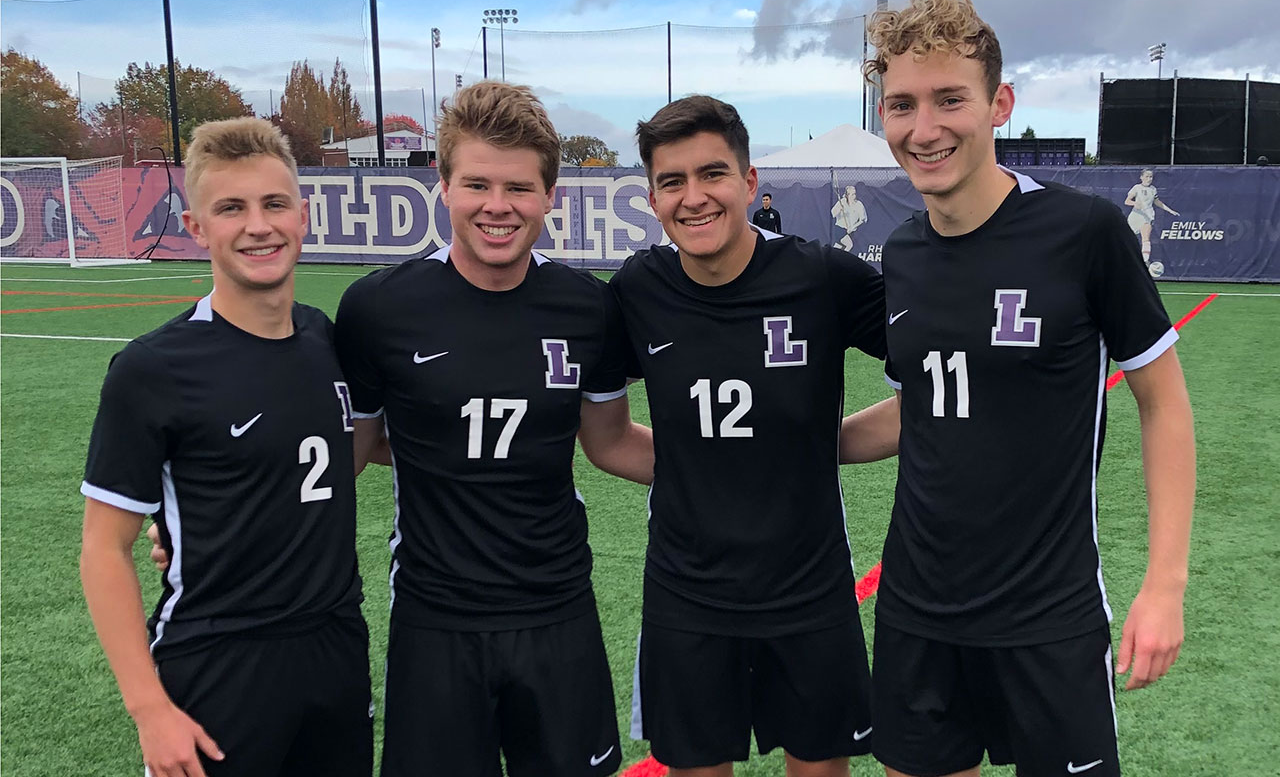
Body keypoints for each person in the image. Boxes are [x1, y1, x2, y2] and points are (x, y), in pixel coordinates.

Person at [864, 0, 1195, 777]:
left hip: (1048, 613)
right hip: (916, 609)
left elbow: (1164, 403)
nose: (924, 127)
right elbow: (927, 406)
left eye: (950, 99)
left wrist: (1165, 584)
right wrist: (806, 438)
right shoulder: (903, 251)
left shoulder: (1084, 233)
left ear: (999, 103)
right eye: (902, 104)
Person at [333, 81, 652, 777]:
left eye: (518, 187)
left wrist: (755, 460)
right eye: (476, 184)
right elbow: (348, 452)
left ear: (550, 196)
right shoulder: (377, 308)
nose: (497, 207)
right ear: (442, 186)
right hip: (433, 615)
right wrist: (213, 514)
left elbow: (609, 441)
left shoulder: (587, 308)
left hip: (558, 609)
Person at [611, 95, 898, 777]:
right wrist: (694, 465)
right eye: (671, 182)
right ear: (651, 198)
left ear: (748, 183)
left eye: (712, 174)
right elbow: (607, 437)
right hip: (687, 595)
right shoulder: (638, 290)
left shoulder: (823, 278)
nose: (693, 197)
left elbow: (932, 390)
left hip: (810, 589)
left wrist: (816, 445)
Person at [79, 118, 372, 777]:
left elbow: (338, 445)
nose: (257, 225)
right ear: (196, 225)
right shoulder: (152, 369)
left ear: (303, 215)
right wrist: (150, 710)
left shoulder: (324, 338)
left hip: (335, 648)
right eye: (231, 208)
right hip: (217, 658)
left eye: (273, 204)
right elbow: (103, 549)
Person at [1124, 168, 1178, 263]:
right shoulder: (1137, 188)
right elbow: (1127, 201)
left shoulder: (1153, 189)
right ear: (1141, 177)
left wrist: (1170, 210)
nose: (1149, 179)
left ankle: (1145, 261)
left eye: (1151, 177)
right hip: (1135, 216)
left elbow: (1157, 202)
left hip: (1148, 216)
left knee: (1146, 238)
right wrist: (1135, 204)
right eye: (1147, 176)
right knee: (1127, 237)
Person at [831, 184, 868, 252]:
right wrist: (839, 209)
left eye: (855, 194)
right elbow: (833, 214)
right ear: (847, 195)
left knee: (838, 247)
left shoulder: (859, 204)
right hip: (839, 229)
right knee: (849, 245)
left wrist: (852, 227)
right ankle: (842, 259)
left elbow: (862, 219)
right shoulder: (841, 202)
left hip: (851, 232)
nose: (854, 196)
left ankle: (831, 258)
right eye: (852, 194)